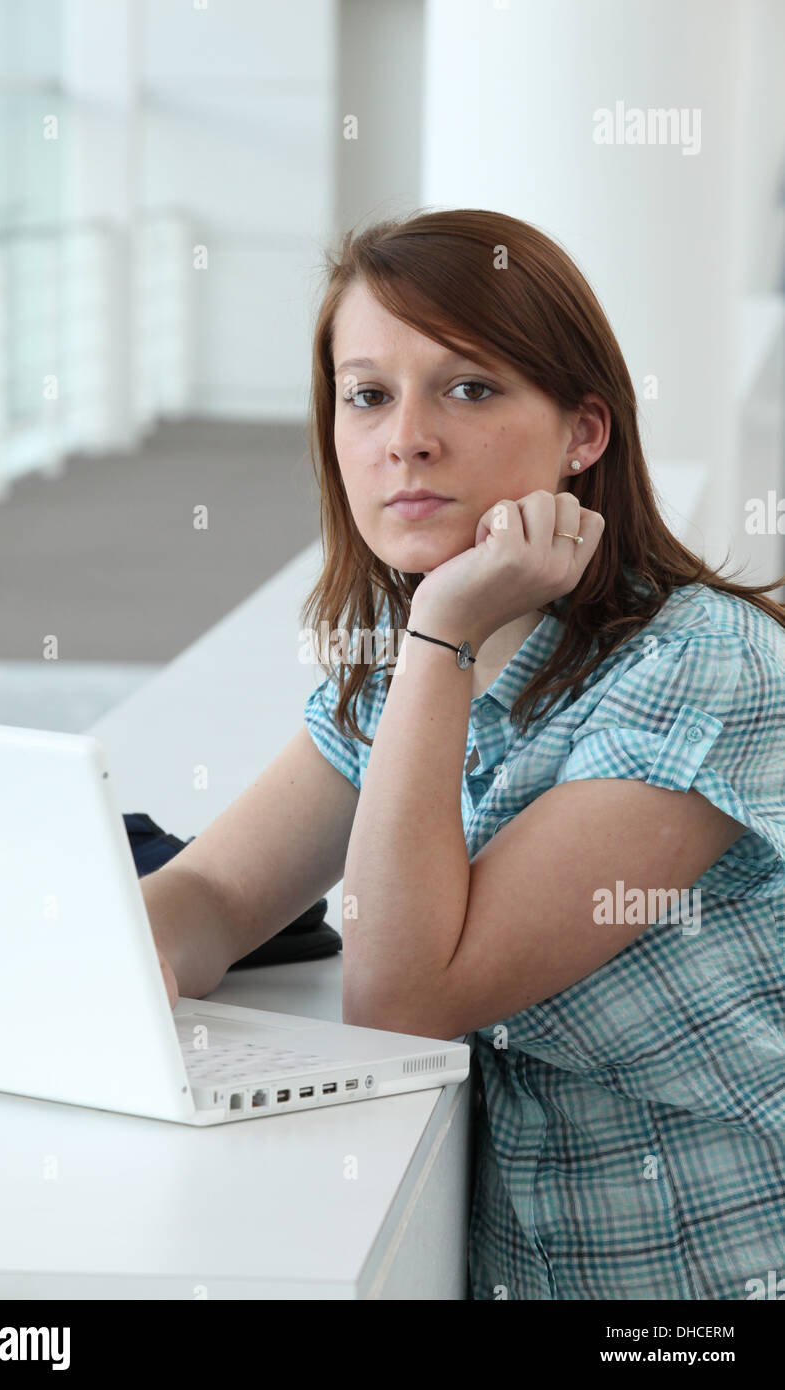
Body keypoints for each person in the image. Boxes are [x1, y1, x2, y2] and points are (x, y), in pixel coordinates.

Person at [141, 207, 785, 1301]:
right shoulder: (392, 682)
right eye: (368, 395)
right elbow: (212, 890)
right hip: (513, 1270)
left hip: (702, 1279)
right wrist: (107, 966)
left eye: (469, 387)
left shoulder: (701, 664)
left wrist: (438, 628)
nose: (406, 438)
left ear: (583, 433)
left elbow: (401, 994)